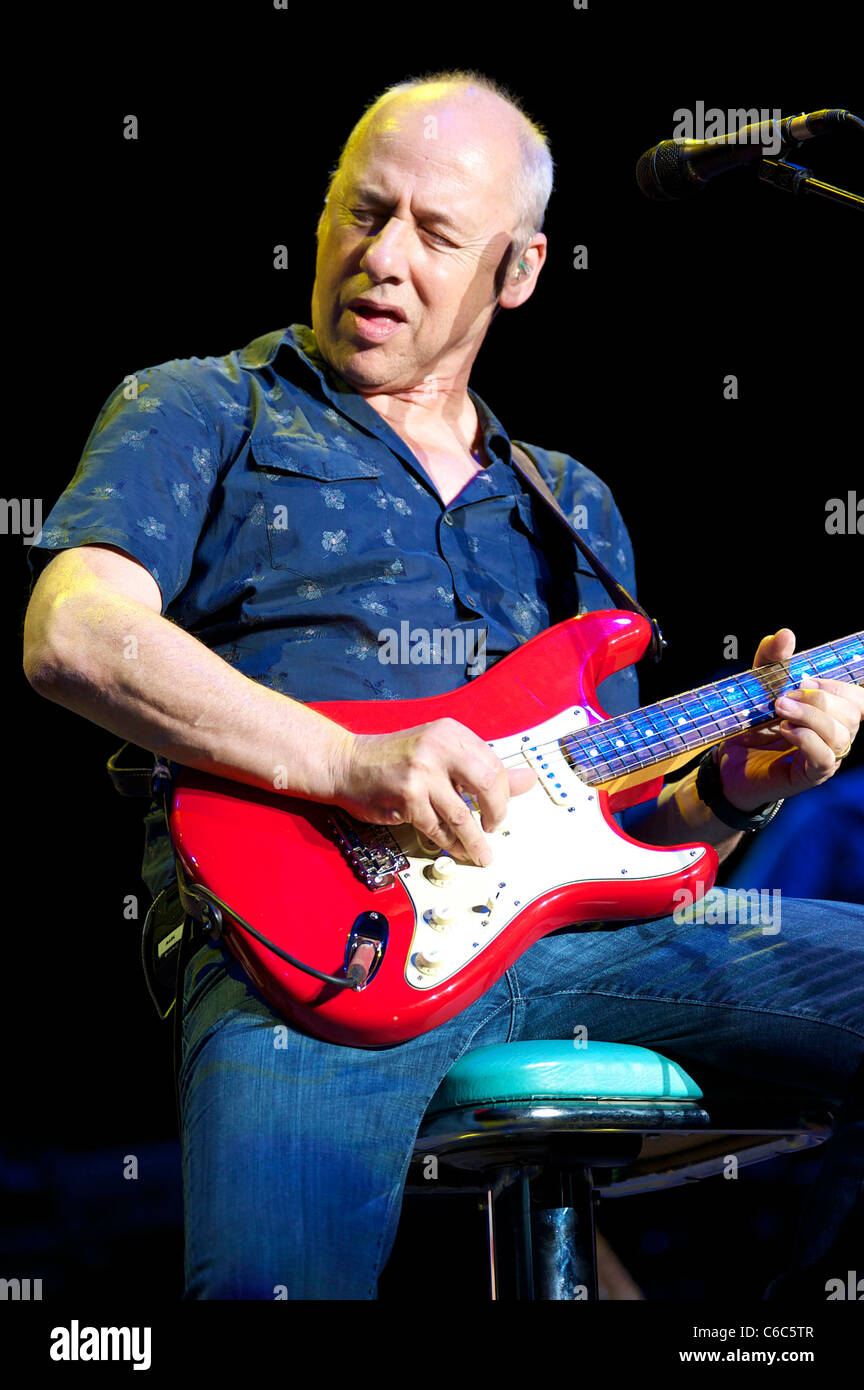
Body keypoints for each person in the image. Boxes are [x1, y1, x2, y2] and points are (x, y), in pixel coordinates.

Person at [23, 71, 863, 1300]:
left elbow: (621, 820)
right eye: (363, 213)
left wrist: (737, 791)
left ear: (516, 273)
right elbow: (75, 634)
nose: (384, 257)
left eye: (435, 233)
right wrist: (351, 764)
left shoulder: (567, 503)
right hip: (308, 947)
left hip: (566, 949)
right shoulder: (199, 406)